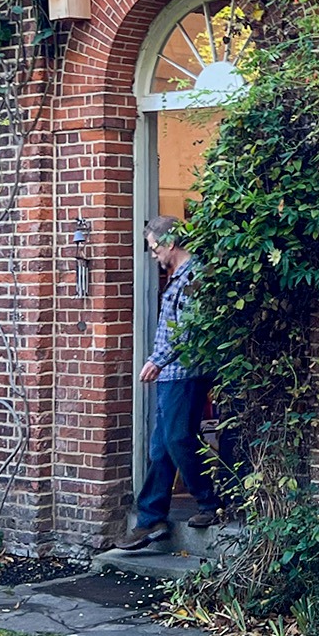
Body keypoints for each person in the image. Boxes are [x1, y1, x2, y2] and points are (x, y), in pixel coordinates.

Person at [114, 215, 221, 549]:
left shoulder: (194, 276)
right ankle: (150, 519)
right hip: (171, 374)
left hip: (184, 373)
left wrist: (157, 360)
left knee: (177, 439)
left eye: (153, 247)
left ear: (169, 243)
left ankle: (208, 501)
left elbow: (188, 329)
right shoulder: (177, 277)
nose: (152, 255)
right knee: (160, 447)